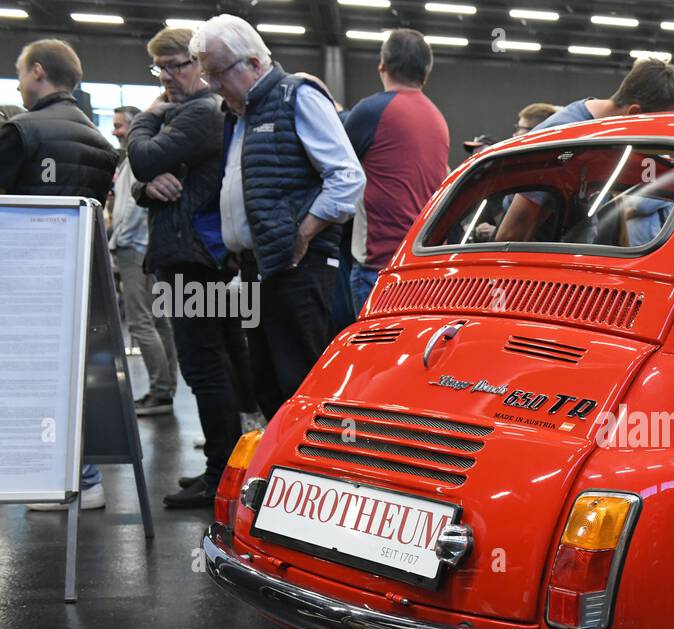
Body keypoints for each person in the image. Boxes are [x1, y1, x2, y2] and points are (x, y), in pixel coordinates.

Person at [193, 15, 364, 419]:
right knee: (267, 383)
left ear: (253, 63)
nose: (213, 84)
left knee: (300, 382)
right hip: (258, 268)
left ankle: (314, 473)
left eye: (218, 73)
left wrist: (302, 233)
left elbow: (347, 178)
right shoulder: (238, 115)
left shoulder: (297, 96)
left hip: (296, 268)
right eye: (207, 75)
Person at [127, 26, 248, 508]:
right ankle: (226, 466)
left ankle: (221, 474)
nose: (170, 76)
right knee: (216, 361)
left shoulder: (198, 113)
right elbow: (147, 177)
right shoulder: (196, 112)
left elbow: (142, 157)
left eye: (178, 64)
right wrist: (145, 188)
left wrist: (146, 116)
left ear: (200, 62)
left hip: (194, 260)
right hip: (200, 256)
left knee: (205, 366)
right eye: (162, 67)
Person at [1, 39, 117, 512]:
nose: (20, 82)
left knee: (27, 379)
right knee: (71, 380)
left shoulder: (20, 131)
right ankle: (79, 476)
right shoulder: (102, 142)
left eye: (20, 73)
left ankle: (54, 477)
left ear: (38, 72)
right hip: (79, 283)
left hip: (23, 278)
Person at [494, 59, 674, 243]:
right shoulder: (567, 138)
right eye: (659, 128)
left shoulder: (603, 136)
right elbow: (512, 233)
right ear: (634, 113)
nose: (661, 139)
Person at [344, 28, 449, 316]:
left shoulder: (372, 110)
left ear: (382, 66)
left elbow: (333, 169)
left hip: (378, 268)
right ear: (425, 75)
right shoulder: (438, 119)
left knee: (369, 357)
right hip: (420, 265)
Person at [109, 105, 176, 417]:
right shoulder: (135, 159)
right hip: (145, 247)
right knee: (158, 321)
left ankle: (161, 392)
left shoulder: (138, 158)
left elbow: (133, 211)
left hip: (135, 247)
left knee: (141, 320)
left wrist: (118, 240)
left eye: (120, 125)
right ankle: (165, 388)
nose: (115, 131)